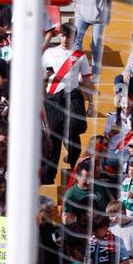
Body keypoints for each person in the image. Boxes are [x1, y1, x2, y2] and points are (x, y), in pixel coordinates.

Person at [41, 22, 93, 184]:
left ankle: (73, 162)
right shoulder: (49, 52)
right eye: (63, 35)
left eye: (69, 36)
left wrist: (90, 103)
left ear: (74, 37)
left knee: (72, 130)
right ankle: (48, 176)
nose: (65, 39)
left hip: (73, 95)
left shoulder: (80, 55)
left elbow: (86, 81)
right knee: (53, 136)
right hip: (53, 97)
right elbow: (40, 77)